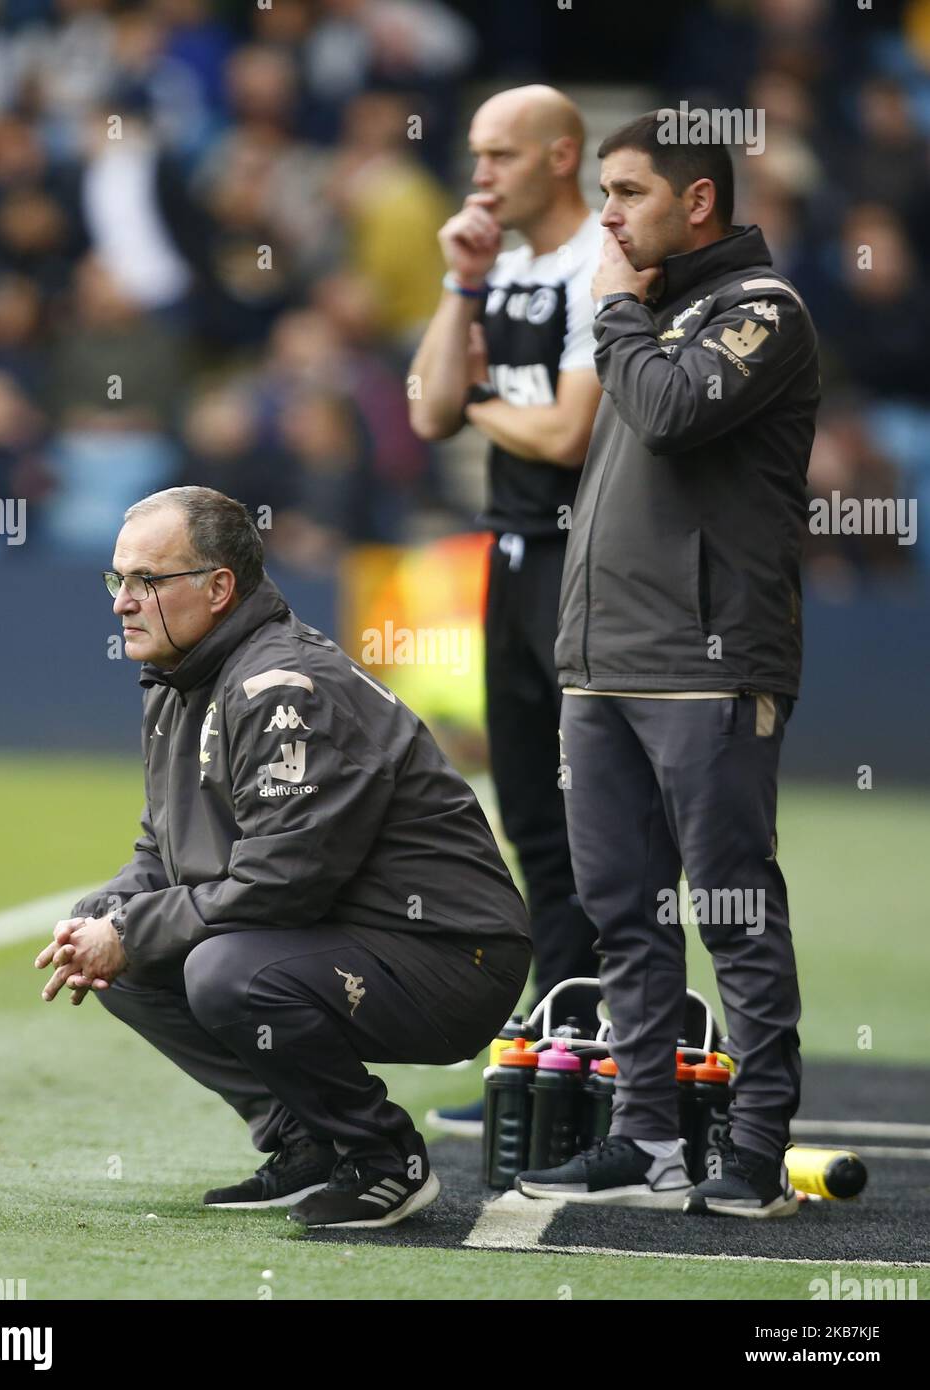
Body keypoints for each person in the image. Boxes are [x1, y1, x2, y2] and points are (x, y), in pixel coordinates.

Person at [33, 486, 531, 1230]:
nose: (122, 603)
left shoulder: (282, 688)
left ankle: (384, 1159)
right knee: (108, 934)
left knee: (215, 968)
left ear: (218, 587)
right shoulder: (181, 678)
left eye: (147, 581)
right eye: (118, 580)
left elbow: (282, 881)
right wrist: (104, 926)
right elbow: (161, 851)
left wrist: (132, 930)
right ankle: (308, 1143)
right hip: (354, 933)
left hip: (452, 954)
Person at [516, 112, 819, 1217]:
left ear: (698, 202)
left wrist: (611, 310)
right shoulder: (649, 311)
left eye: (629, 192)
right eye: (602, 192)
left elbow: (670, 410)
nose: (605, 215)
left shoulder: (760, 312)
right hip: (602, 663)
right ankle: (647, 1135)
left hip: (709, 660)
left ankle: (753, 1148)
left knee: (732, 908)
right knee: (622, 910)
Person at [408, 85, 604, 1135]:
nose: (479, 173)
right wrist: (460, 282)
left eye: (500, 156)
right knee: (528, 807)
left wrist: (487, 402)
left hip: (591, 564)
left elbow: (570, 434)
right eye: (475, 155)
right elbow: (432, 408)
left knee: (598, 816)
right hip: (513, 553)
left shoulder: (600, 263)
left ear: (559, 156)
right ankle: (563, 1026)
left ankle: (612, 1032)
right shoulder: (508, 269)